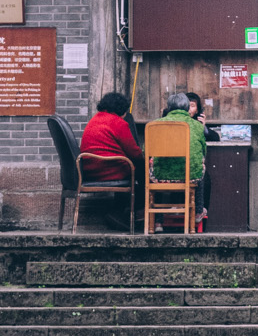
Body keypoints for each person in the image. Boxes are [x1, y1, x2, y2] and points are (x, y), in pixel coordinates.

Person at [77, 92, 143, 231]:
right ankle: (132, 214)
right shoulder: (118, 122)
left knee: (130, 170)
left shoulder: (95, 119)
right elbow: (134, 152)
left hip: (89, 168)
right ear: (122, 109)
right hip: (108, 167)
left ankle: (118, 213)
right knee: (143, 174)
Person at [149, 90, 208, 229]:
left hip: (160, 176)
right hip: (190, 176)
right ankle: (198, 212)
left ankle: (157, 222)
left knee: (155, 168)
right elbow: (203, 151)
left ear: (169, 107)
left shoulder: (155, 124)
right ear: (187, 107)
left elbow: (147, 151)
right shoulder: (196, 126)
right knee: (201, 168)